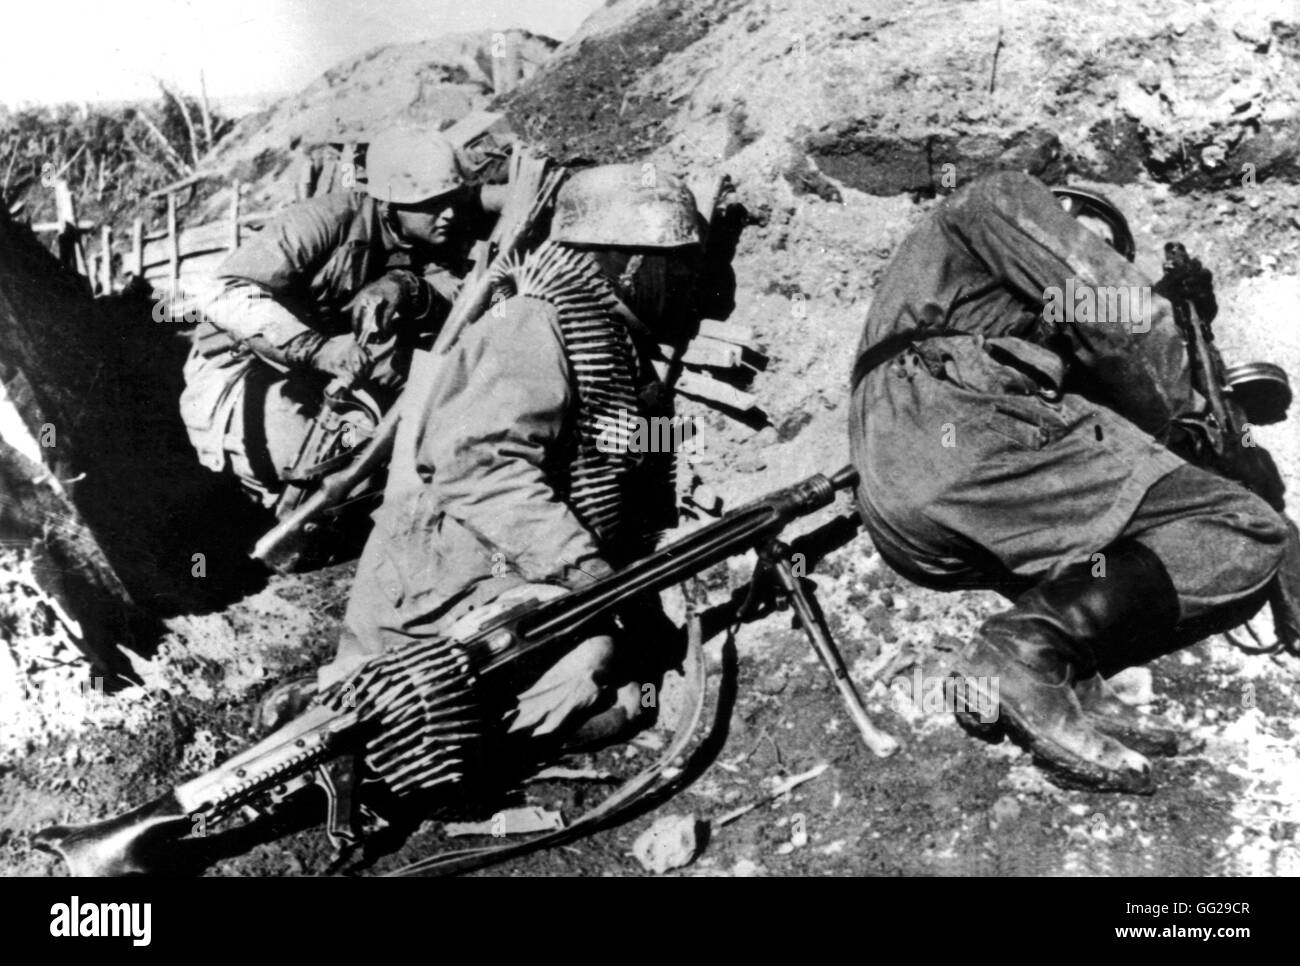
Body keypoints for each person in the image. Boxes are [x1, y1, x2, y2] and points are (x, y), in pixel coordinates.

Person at [848, 171, 1299, 793]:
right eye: (1091, 239)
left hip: (905, 495)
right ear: (1065, 213)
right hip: (963, 426)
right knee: (1243, 527)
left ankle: (1061, 676)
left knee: (1118, 552)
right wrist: (1191, 414)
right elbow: (1122, 313)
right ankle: (1023, 653)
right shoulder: (995, 197)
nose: (1094, 252)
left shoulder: (958, 294)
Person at [262, 164, 705, 755]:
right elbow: (479, 468)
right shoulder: (532, 323)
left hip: (509, 566)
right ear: (625, 262)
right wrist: (588, 573)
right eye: (669, 265)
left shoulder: (604, 336)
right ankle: (365, 720)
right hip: (449, 578)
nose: (677, 283)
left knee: (617, 690)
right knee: (597, 678)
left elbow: (607, 447)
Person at [179, 127, 482, 506]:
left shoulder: (441, 231)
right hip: (245, 367)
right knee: (298, 471)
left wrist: (405, 285)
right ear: (388, 202)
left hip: (342, 366)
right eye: (432, 204)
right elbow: (226, 292)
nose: (449, 214)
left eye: (451, 200)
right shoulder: (323, 221)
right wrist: (316, 349)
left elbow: (462, 288)